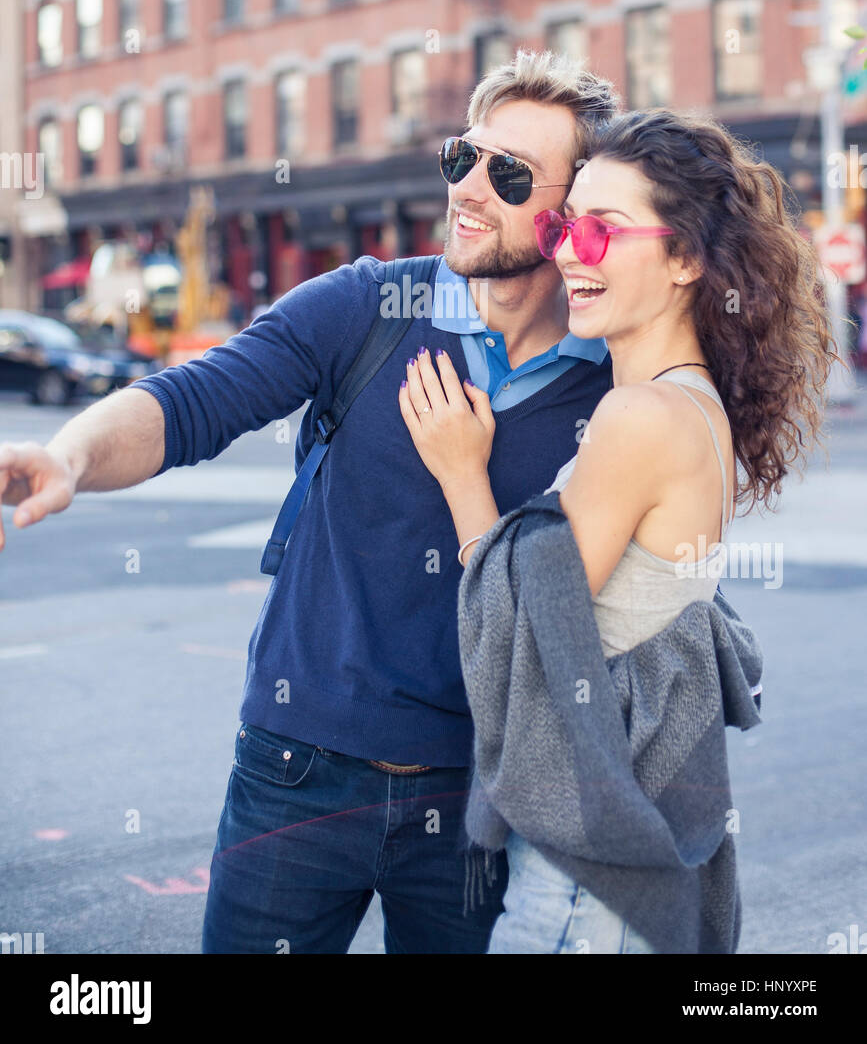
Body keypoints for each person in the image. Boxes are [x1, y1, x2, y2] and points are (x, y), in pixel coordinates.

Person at [0, 50, 617, 955]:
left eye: (509, 175)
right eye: (462, 158)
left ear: (573, 216)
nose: (469, 190)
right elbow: (192, 401)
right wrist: (69, 455)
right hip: (297, 768)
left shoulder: (610, 381)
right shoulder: (366, 304)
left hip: (480, 798)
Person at [399, 107, 836, 954]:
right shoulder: (690, 403)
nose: (567, 252)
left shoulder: (640, 415)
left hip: (580, 897)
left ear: (683, 258)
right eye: (565, 225)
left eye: (602, 233)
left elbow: (521, 637)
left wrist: (460, 472)